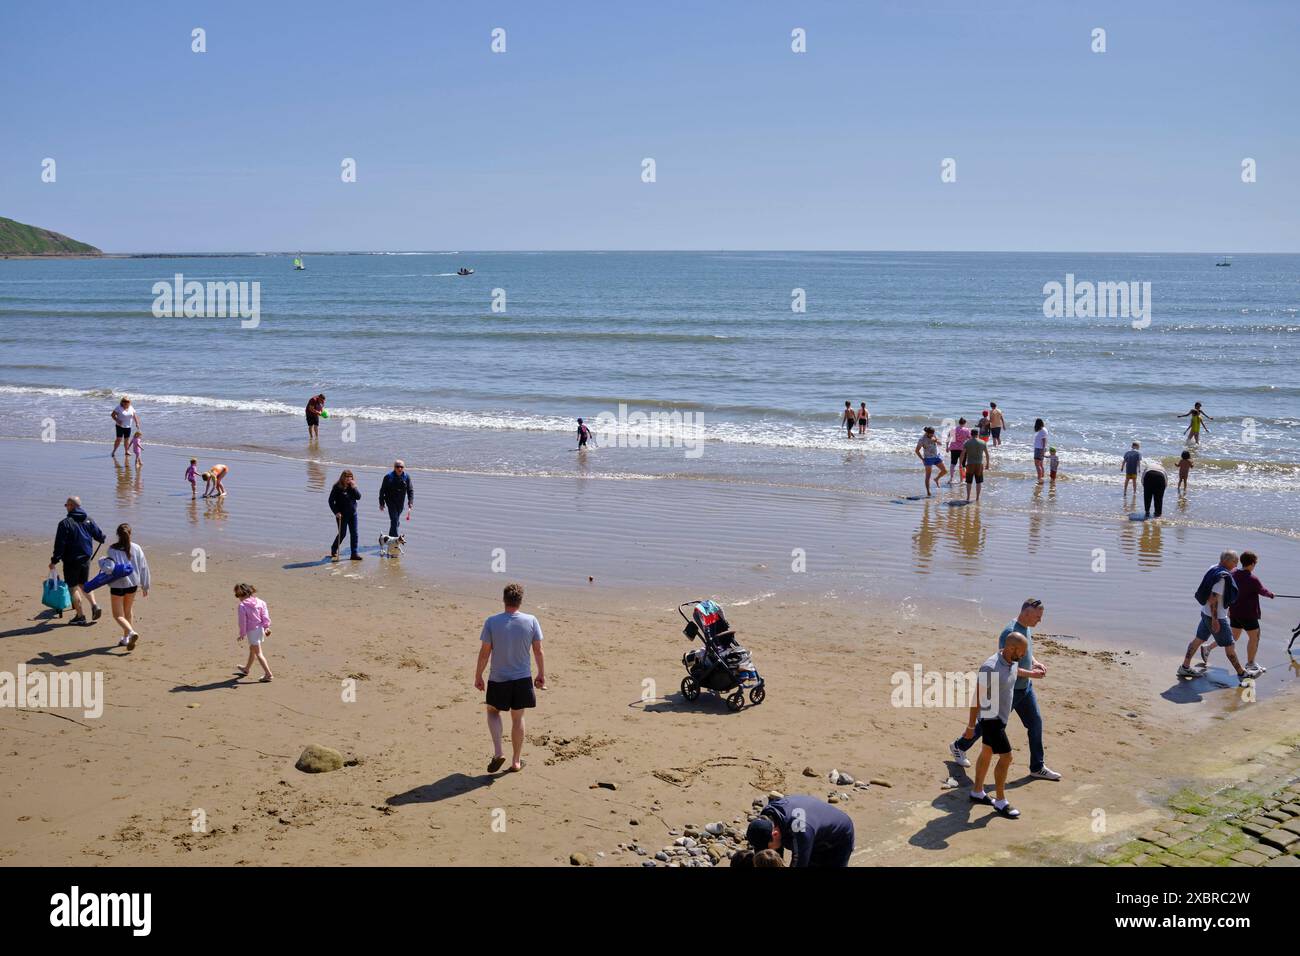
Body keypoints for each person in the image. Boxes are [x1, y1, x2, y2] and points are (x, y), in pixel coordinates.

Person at [949, 599, 1059, 781]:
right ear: (1026, 613)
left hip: (1025, 689)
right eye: (1037, 617)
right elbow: (1006, 665)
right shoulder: (1010, 632)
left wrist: (1035, 662)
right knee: (991, 726)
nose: (1039, 621)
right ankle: (959, 746)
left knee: (1035, 723)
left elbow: (1026, 652)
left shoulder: (1026, 628)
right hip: (1009, 690)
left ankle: (1037, 767)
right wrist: (1031, 673)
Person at [474, 582, 545, 774]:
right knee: (518, 717)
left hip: (499, 679)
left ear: (504, 600)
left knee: (492, 711)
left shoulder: (492, 621)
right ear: (520, 601)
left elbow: (484, 653)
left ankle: (498, 752)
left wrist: (478, 675)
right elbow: (538, 651)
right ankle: (516, 761)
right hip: (522, 679)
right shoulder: (531, 620)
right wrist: (541, 674)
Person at [964, 631, 1031, 818]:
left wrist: (1032, 673)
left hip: (1001, 717)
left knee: (987, 752)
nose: (1024, 655)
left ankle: (977, 791)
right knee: (1007, 757)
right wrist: (970, 726)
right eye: (1022, 651)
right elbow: (977, 697)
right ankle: (1001, 801)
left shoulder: (1012, 660)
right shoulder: (990, 667)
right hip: (990, 717)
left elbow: (1014, 672)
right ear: (1011, 648)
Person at [1177, 551, 1248, 683]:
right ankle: (1242, 673)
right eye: (1235, 562)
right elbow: (1213, 599)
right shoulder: (1221, 578)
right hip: (1215, 617)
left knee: (1198, 639)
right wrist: (1215, 620)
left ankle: (1185, 667)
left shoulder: (1213, 568)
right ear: (1227, 560)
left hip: (1205, 613)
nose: (1236, 565)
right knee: (1230, 646)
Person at [1203, 551, 1274, 679]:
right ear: (1252, 564)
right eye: (1255, 564)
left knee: (1232, 638)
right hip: (1248, 614)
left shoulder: (1233, 573)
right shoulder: (1253, 579)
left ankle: (1208, 648)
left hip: (1234, 612)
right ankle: (1251, 664)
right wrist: (1271, 594)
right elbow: (1262, 591)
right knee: (1254, 637)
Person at [745, 794, 855, 867]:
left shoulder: (800, 830)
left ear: (775, 833)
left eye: (767, 847)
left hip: (838, 839)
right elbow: (770, 857)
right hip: (813, 831)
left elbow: (799, 863)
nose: (767, 851)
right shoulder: (768, 815)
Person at [48, 496, 105, 625]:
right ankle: (95, 605)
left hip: (71, 560)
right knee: (84, 583)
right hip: (85, 558)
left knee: (72, 587)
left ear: (72, 506)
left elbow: (59, 544)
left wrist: (54, 561)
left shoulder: (65, 523)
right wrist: (101, 538)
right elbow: (100, 536)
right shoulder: (88, 520)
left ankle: (80, 616)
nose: (65, 507)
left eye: (66, 505)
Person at [106, 523, 149, 650]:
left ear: (117, 535)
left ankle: (130, 632)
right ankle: (126, 639)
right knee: (128, 611)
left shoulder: (112, 549)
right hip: (132, 584)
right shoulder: (137, 548)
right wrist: (145, 585)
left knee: (117, 615)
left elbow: (109, 568)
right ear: (130, 534)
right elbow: (143, 567)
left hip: (117, 584)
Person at [234, 583, 274, 682]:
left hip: (252, 632)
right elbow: (265, 616)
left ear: (241, 594)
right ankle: (246, 669)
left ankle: (268, 674)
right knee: (252, 649)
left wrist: (242, 633)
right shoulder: (261, 602)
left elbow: (242, 622)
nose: (238, 598)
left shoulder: (242, 606)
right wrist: (266, 627)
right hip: (260, 630)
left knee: (258, 653)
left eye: (237, 595)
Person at [329, 470, 362, 561]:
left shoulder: (352, 487)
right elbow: (331, 501)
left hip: (353, 514)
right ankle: (334, 548)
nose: (348, 479)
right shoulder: (337, 487)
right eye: (346, 477)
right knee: (342, 534)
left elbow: (358, 497)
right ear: (342, 477)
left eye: (350, 477)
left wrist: (354, 487)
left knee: (354, 534)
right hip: (341, 515)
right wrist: (336, 512)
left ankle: (354, 553)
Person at [378, 460, 414, 537]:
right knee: (394, 520)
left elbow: (410, 490)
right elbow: (382, 490)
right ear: (394, 467)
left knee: (396, 521)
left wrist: (410, 501)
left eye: (401, 467)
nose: (399, 468)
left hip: (400, 503)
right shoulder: (388, 477)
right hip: (390, 501)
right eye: (397, 467)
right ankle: (394, 540)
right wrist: (381, 503)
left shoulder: (406, 477)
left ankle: (390, 537)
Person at [914, 426, 947, 495]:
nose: (932, 435)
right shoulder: (922, 440)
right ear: (927, 433)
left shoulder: (934, 435)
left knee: (944, 471)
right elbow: (917, 451)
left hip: (936, 457)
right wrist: (922, 459)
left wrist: (935, 440)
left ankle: (936, 479)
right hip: (928, 459)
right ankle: (928, 492)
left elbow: (940, 444)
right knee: (928, 476)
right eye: (931, 434)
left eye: (933, 433)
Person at [961, 427, 988, 502]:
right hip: (979, 464)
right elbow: (987, 454)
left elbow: (963, 454)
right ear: (977, 434)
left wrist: (960, 463)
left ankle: (968, 497)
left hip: (970, 464)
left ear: (971, 434)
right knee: (978, 482)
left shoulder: (967, 442)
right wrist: (987, 464)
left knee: (969, 482)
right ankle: (977, 498)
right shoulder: (983, 442)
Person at [947, 418, 970, 485]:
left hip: (953, 448)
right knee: (963, 464)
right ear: (964, 423)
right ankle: (962, 480)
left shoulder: (953, 429)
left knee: (953, 463)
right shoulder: (967, 430)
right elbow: (970, 438)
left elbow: (948, 438)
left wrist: (947, 447)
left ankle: (951, 479)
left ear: (959, 422)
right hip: (963, 448)